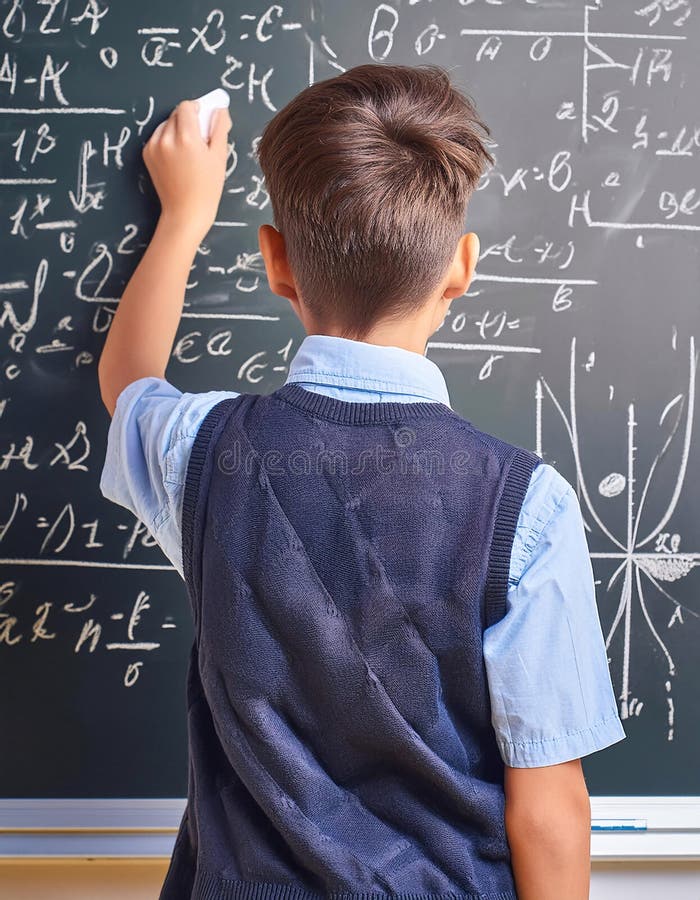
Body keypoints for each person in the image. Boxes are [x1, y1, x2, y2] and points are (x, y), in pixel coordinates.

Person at [98, 63, 626, 900]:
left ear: (276, 262)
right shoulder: (527, 506)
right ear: (461, 268)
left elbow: (129, 384)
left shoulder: (201, 453)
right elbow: (548, 804)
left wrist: (185, 216)